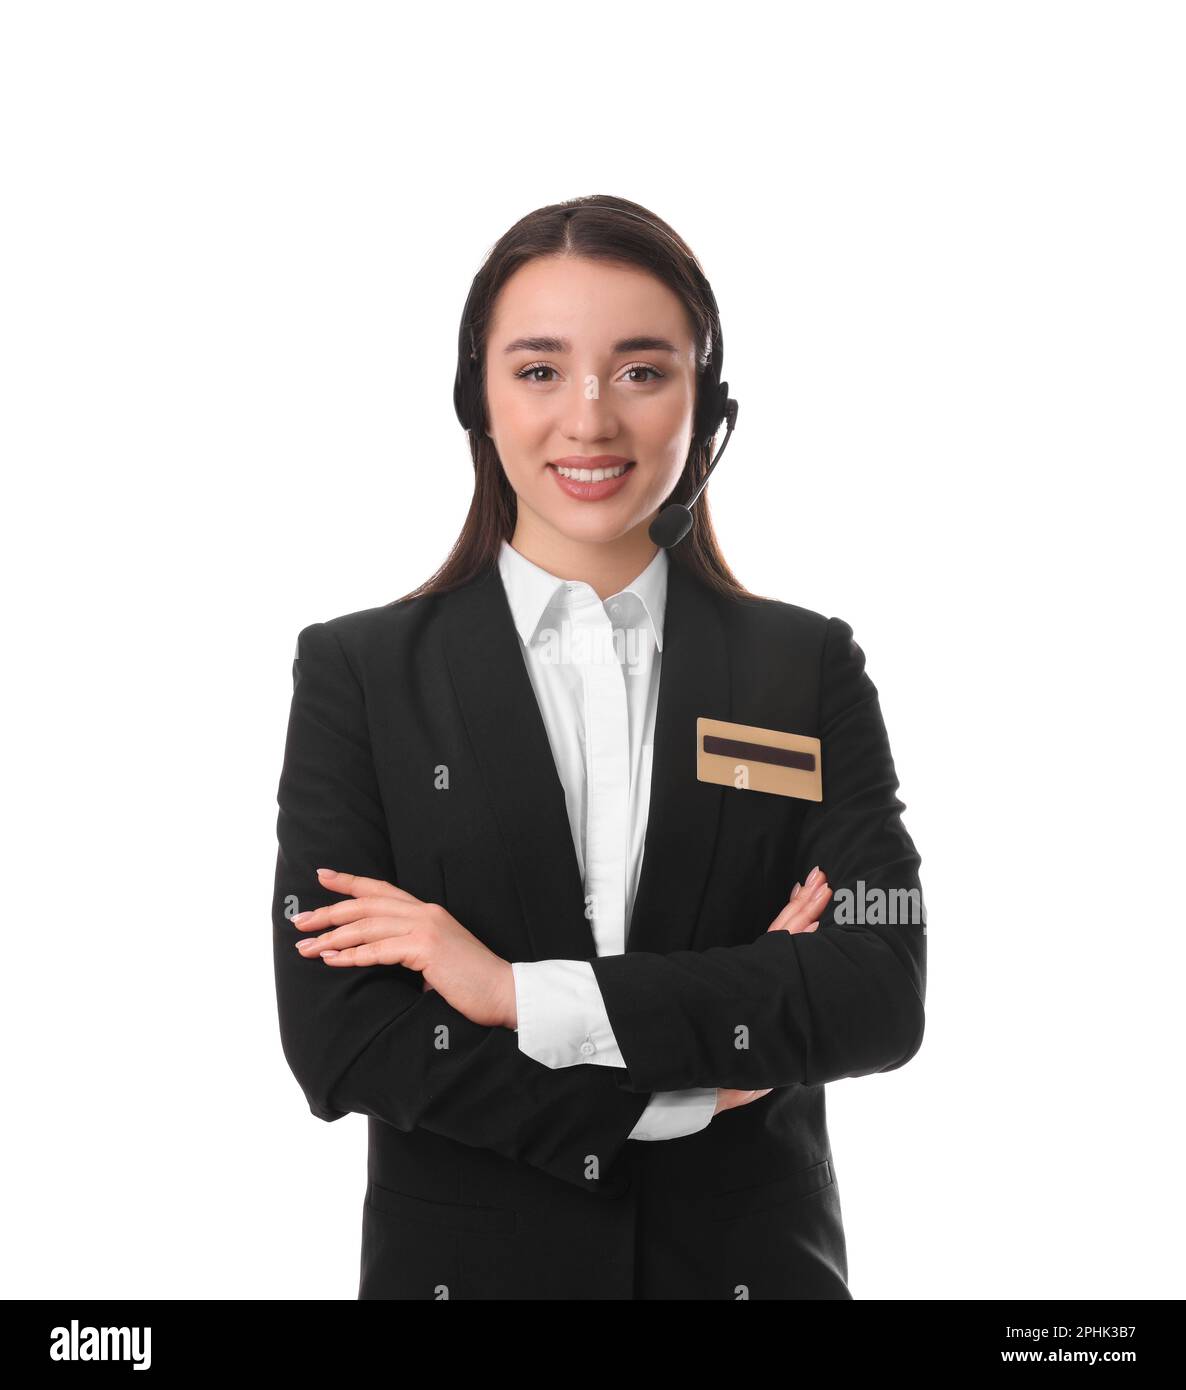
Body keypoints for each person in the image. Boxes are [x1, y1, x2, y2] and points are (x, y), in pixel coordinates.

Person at [270, 194, 926, 1300]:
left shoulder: (804, 667)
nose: (588, 421)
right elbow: (341, 1036)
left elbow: (877, 983)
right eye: (538, 370)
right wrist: (675, 1089)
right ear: (474, 396)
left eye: (639, 369)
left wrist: (512, 992)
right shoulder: (361, 674)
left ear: (705, 403)